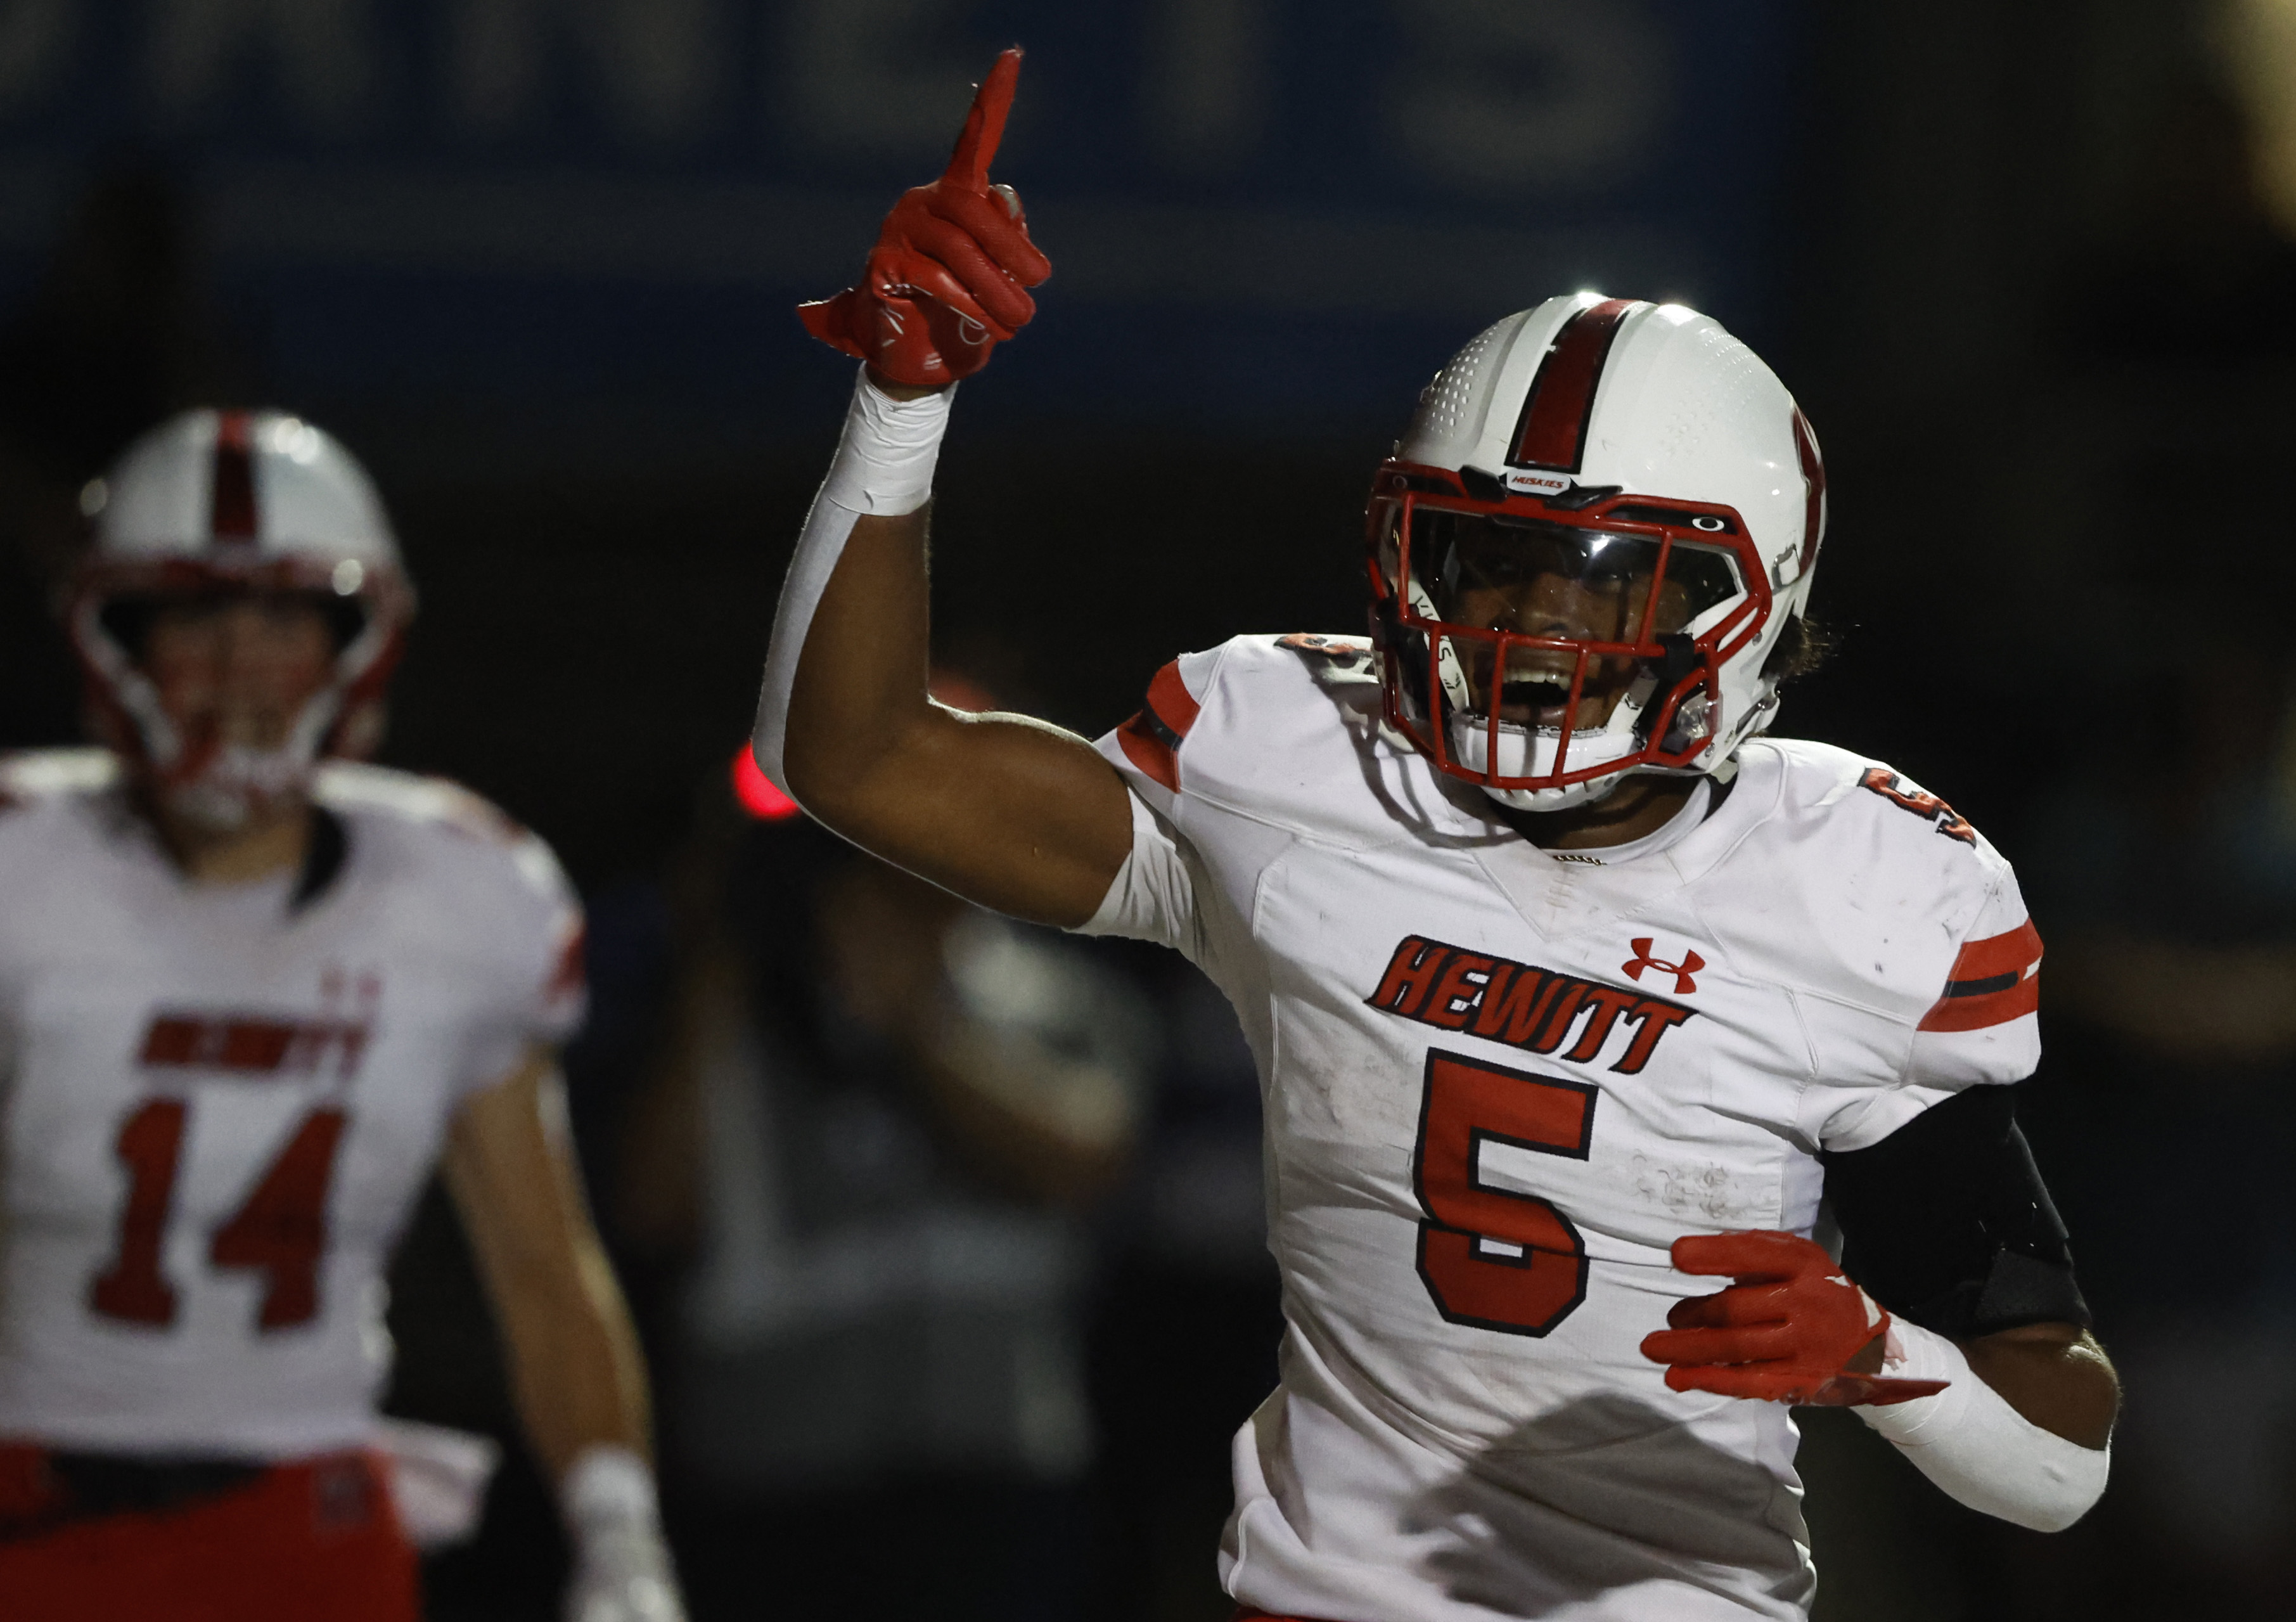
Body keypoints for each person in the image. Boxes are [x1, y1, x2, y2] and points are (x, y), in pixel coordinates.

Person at [755, 51, 2120, 1620]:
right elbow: (852, 757)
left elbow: (2058, 1454)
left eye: (1605, 575)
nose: (1540, 623)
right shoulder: (1296, 767)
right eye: (1492, 559)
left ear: (1743, 606)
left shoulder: (1866, 893)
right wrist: (900, 399)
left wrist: (1888, 1362)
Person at [0, 409, 684, 1622]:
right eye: (194, 618)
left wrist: (618, 1531)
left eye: (282, 619)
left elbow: (540, 1262)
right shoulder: (25, 866)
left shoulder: (460, 894)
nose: (238, 662)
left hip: (305, 1522)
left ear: (354, 644)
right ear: (116, 641)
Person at [620, 744, 1146, 1619]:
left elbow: (1088, 1163)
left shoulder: (1050, 996)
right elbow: (648, 1204)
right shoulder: (732, 1021)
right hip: (775, 1488)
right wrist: (720, 954)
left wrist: (915, 1024)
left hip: (996, 1474)